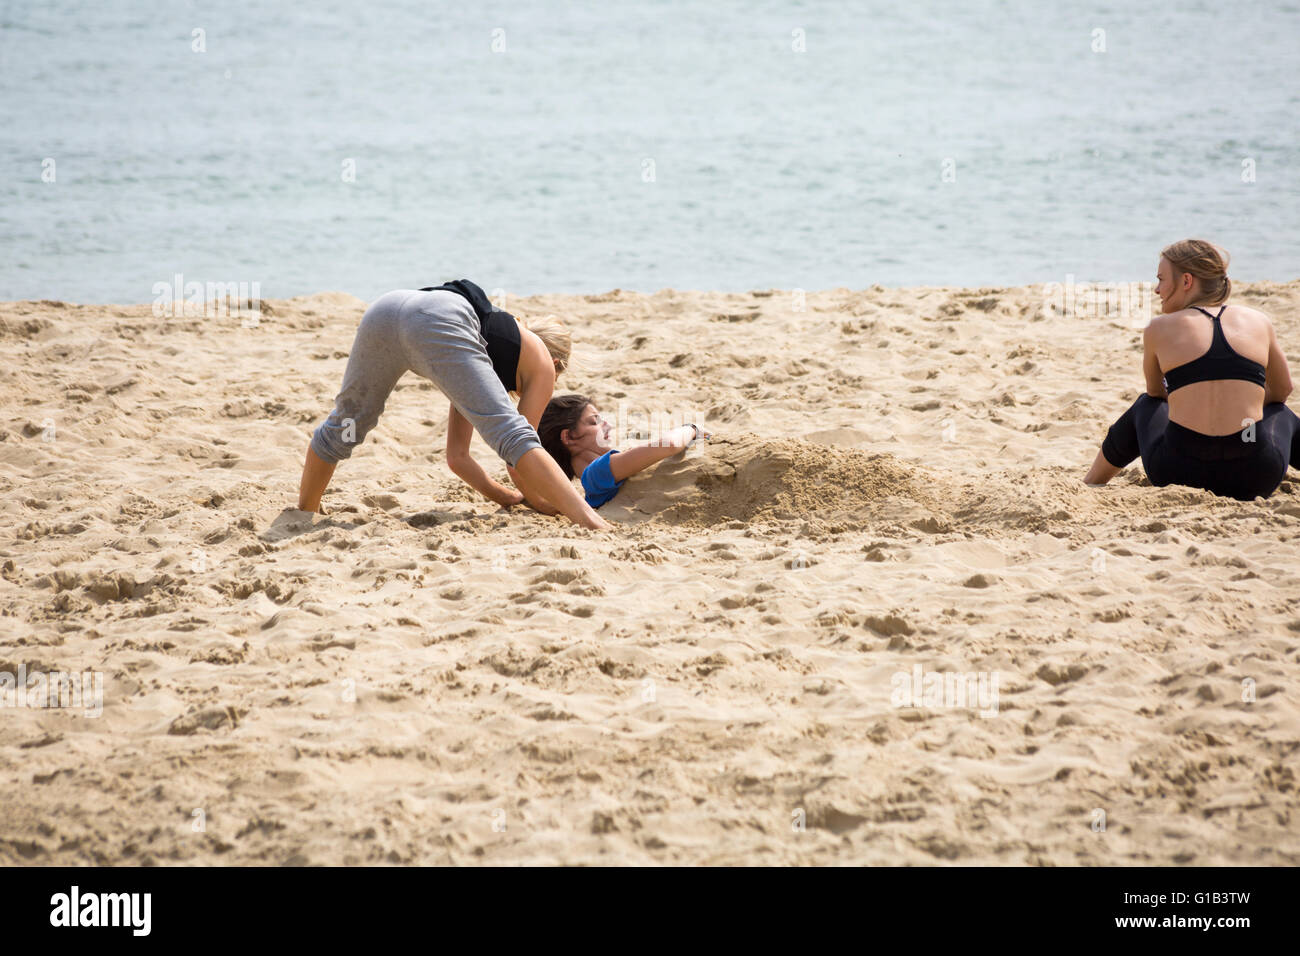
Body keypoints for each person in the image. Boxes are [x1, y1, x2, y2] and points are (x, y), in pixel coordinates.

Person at [297, 281, 611, 529]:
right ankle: (592, 522)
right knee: (514, 437)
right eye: (556, 376)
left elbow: (457, 458)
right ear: (557, 363)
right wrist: (548, 505)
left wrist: (507, 498)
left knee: (349, 422)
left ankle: (305, 511)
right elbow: (517, 453)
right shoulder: (543, 363)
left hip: (385, 311)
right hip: (439, 320)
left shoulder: (474, 359)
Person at [1085, 240, 1299, 500]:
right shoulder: (1258, 321)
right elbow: (1282, 390)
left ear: (1186, 281)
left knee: (1145, 405)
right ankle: (1247, 437)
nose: (1156, 290)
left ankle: (1093, 481)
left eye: (1161, 279)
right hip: (1253, 474)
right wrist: (1242, 406)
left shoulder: (1158, 328)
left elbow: (1156, 394)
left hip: (1178, 471)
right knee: (1279, 412)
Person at [537, 394, 710, 509]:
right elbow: (671, 444)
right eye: (595, 421)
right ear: (569, 437)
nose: (608, 425)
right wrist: (692, 428)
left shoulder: (597, 477)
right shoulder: (595, 474)